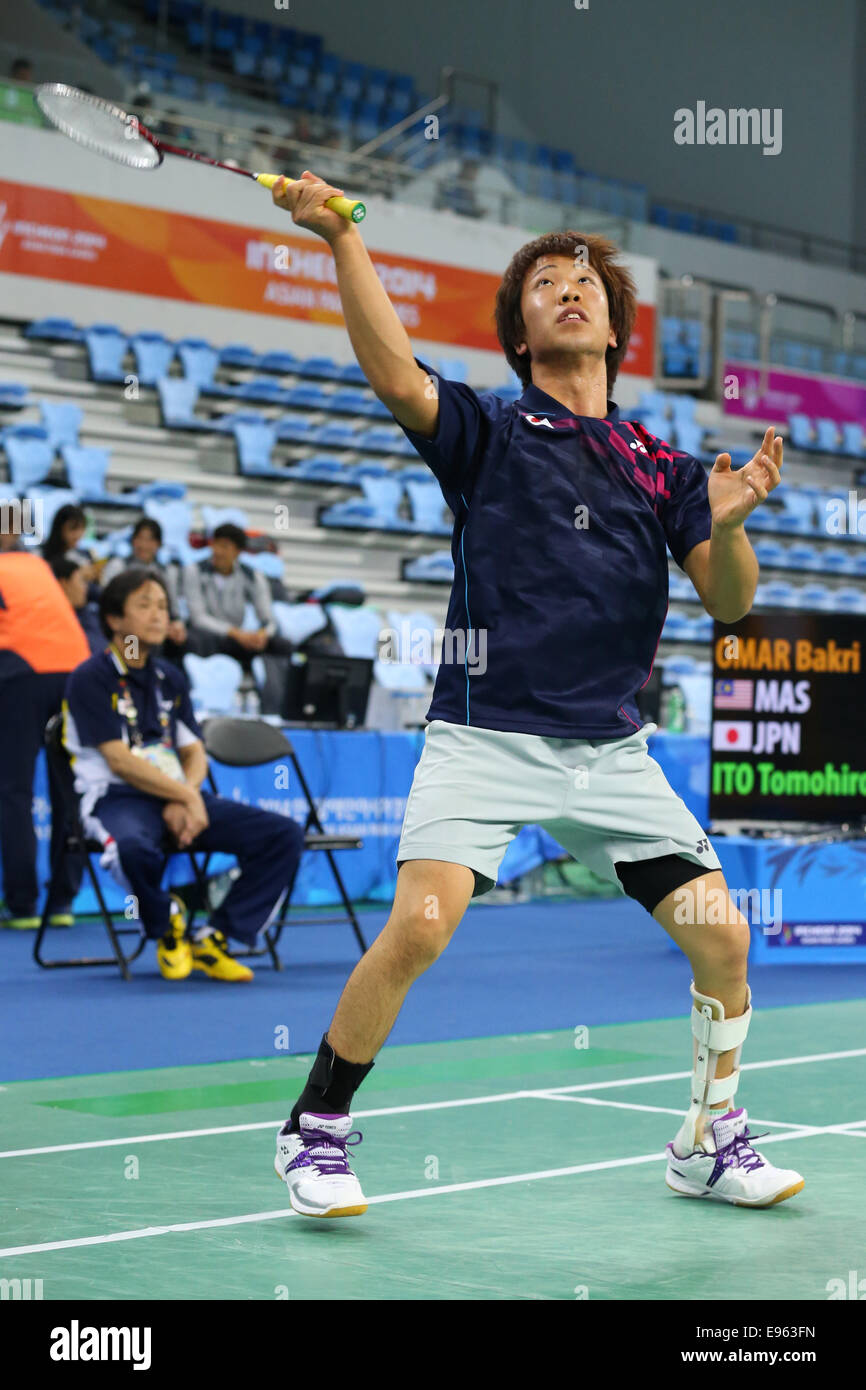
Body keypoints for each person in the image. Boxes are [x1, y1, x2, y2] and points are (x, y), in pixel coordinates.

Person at [265, 170, 802, 1218]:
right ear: (520, 330)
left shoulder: (664, 467)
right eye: (544, 283)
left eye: (584, 281)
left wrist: (730, 525)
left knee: (722, 937)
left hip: (607, 751)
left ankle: (704, 1137)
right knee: (419, 924)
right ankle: (314, 1127)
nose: (568, 289)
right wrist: (340, 239)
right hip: (485, 732)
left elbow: (727, 605)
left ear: (613, 324)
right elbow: (394, 374)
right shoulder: (490, 433)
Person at [62, 568, 305, 982]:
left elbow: (194, 750)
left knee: (282, 835)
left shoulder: (169, 678)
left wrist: (185, 795)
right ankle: (166, 921)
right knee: (132, 849)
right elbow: (118, 760)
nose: (158, 615)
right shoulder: (91, 677)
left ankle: (216, 935)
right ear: (115, 620)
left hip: (175, 793)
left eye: (162, 606)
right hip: (116, 797)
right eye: (144, 605)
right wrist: (187, 797)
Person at [0, 516, 89, 929]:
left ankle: (22, 906)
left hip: (21, 675)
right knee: (69, 791)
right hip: (75, 674)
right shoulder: (36, 564)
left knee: (13, 791)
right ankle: (63, 903)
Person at [182, 523, 293, 669]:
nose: (218, 551)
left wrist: (262, 634)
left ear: (238, 552)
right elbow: (199, 618)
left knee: (282, 645)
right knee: (199, 640)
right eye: (216, 545)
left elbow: (269, 620)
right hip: (210, 635)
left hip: (239, 638)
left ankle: (273, 688)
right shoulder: (194, 571)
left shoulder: (252, 576)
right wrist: (235, 633)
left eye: (225, 547)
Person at [101, 517, 187, 655]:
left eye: (150, 540)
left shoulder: (166, 572)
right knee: (133, 642)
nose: (144, 545)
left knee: (183, 640)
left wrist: (177, 623)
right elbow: (108, 603)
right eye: (140, 538)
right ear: (133, 541)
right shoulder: (119, 566)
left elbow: (173, 607)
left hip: (158, 627)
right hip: (128, 627)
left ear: (158, 544)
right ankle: (131, 670)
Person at [51, 556, 103, 655]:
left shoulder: (91, 613)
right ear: (64, 583)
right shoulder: (57, 624)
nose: (86, 588)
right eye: (81, 581)